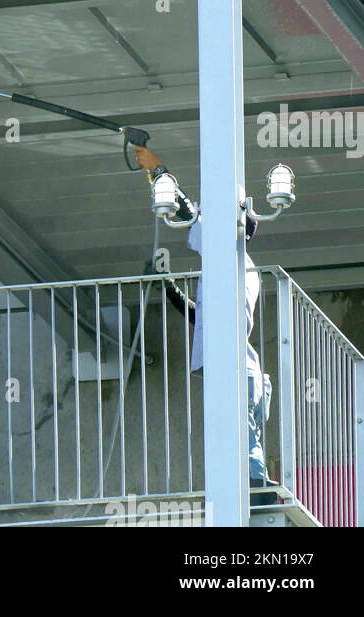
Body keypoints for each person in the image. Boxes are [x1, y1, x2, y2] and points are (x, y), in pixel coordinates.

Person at [135, 146, 278, 507]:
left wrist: (159, 172)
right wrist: (169, 288)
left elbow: (189, 213)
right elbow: (204, 316)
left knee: (243, 443)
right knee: (245, 437)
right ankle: (253, 490)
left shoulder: (229, 257)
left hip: (235, 367)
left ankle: (254, 497)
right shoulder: (239, 268)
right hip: (244, 369)